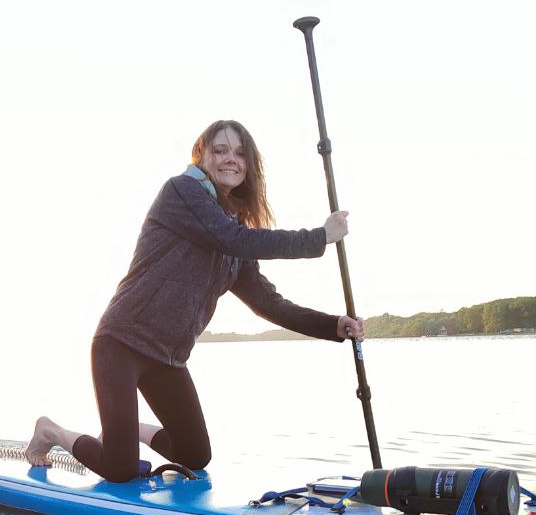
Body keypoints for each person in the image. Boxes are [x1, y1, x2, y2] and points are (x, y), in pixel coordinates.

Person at [25, 119, 365, 482]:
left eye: (239, 153)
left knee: (195, 456)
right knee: (120, 468)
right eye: (219, 150)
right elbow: (234, 238)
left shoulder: (232, 237)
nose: (229, 159)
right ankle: (52, 432)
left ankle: (123, 432)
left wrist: (332, 325)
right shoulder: (182, 193)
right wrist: (318, 238)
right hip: (121, 343)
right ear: (201, 156)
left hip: (167, 358)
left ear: (249, 166)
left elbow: (269, 303)